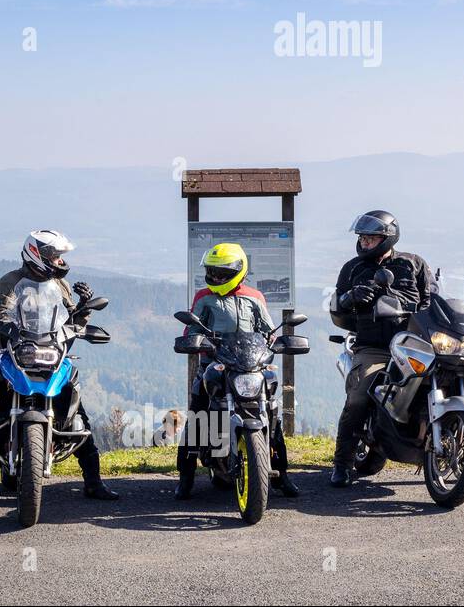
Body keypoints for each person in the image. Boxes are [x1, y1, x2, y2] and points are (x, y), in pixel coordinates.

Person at [0, 229, 118, 500]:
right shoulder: (11, 281)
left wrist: (83, 307)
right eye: (55, 255)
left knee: (77, 408)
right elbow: (3, 313)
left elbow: (72, 322)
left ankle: (94, 482)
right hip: (13, 348)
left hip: (51, 350)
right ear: (36, 254)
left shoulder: (61, 286)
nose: (60, 261)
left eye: (60, 256)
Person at [329, 210, 448, 488]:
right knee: (359, 397)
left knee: (453, 380)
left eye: (370, 238)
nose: (364, 243)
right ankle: (342, 464)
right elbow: (337, 306)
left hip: (416, 344)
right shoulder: (352, 268)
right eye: (362, 238)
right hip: (374, 348)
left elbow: (433, 301)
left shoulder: (414, 264)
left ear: (387, 237)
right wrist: (350, 297)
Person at [174, 243, 299, 500]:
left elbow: (268, 330)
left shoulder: (255, 297)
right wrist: (196, 340)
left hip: (249, 363)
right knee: (198, 411)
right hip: (215, 363)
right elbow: (192, 329)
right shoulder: (204, 297)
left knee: (271, 413)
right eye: (213, 272)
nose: (216, 278)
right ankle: (185, 478)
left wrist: (276, 340)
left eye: (222, 273)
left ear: (239, 271)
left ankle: (282, 475)